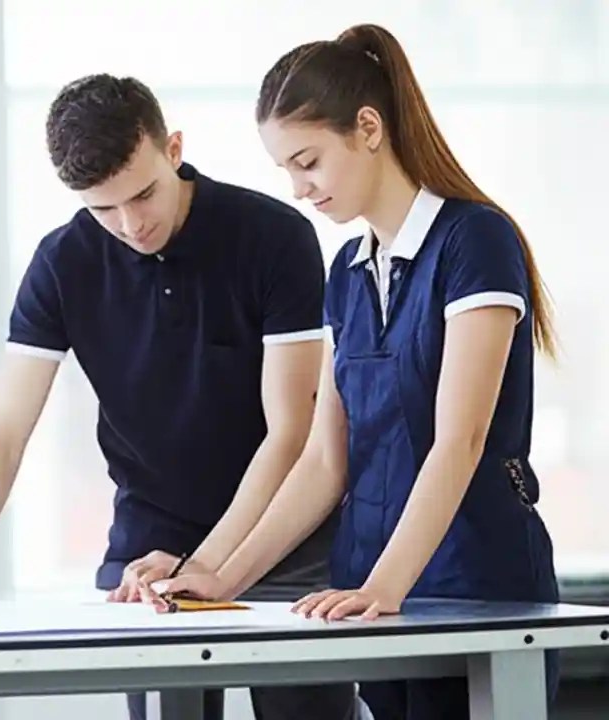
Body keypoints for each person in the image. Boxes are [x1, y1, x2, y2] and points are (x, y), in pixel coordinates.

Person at [0, 74, 358, 720]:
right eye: (104, 209)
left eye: (143, 194)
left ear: (174, 149)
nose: (132, 224)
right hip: (146, 548)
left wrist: (205, 567)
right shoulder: (62, 264)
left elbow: (291, 433)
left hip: (284, 541)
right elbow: (4, 433)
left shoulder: (273, 237)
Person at [149, 23, 562, 720]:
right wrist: (217, 577)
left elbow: (458, 440)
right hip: (369, 594)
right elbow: (321, 463)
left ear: (368, 128)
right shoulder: (347, 270)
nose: (299, 188)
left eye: (307, 161)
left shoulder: (474, 241)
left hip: (473, 584)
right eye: (285, 170)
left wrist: (387, 585)